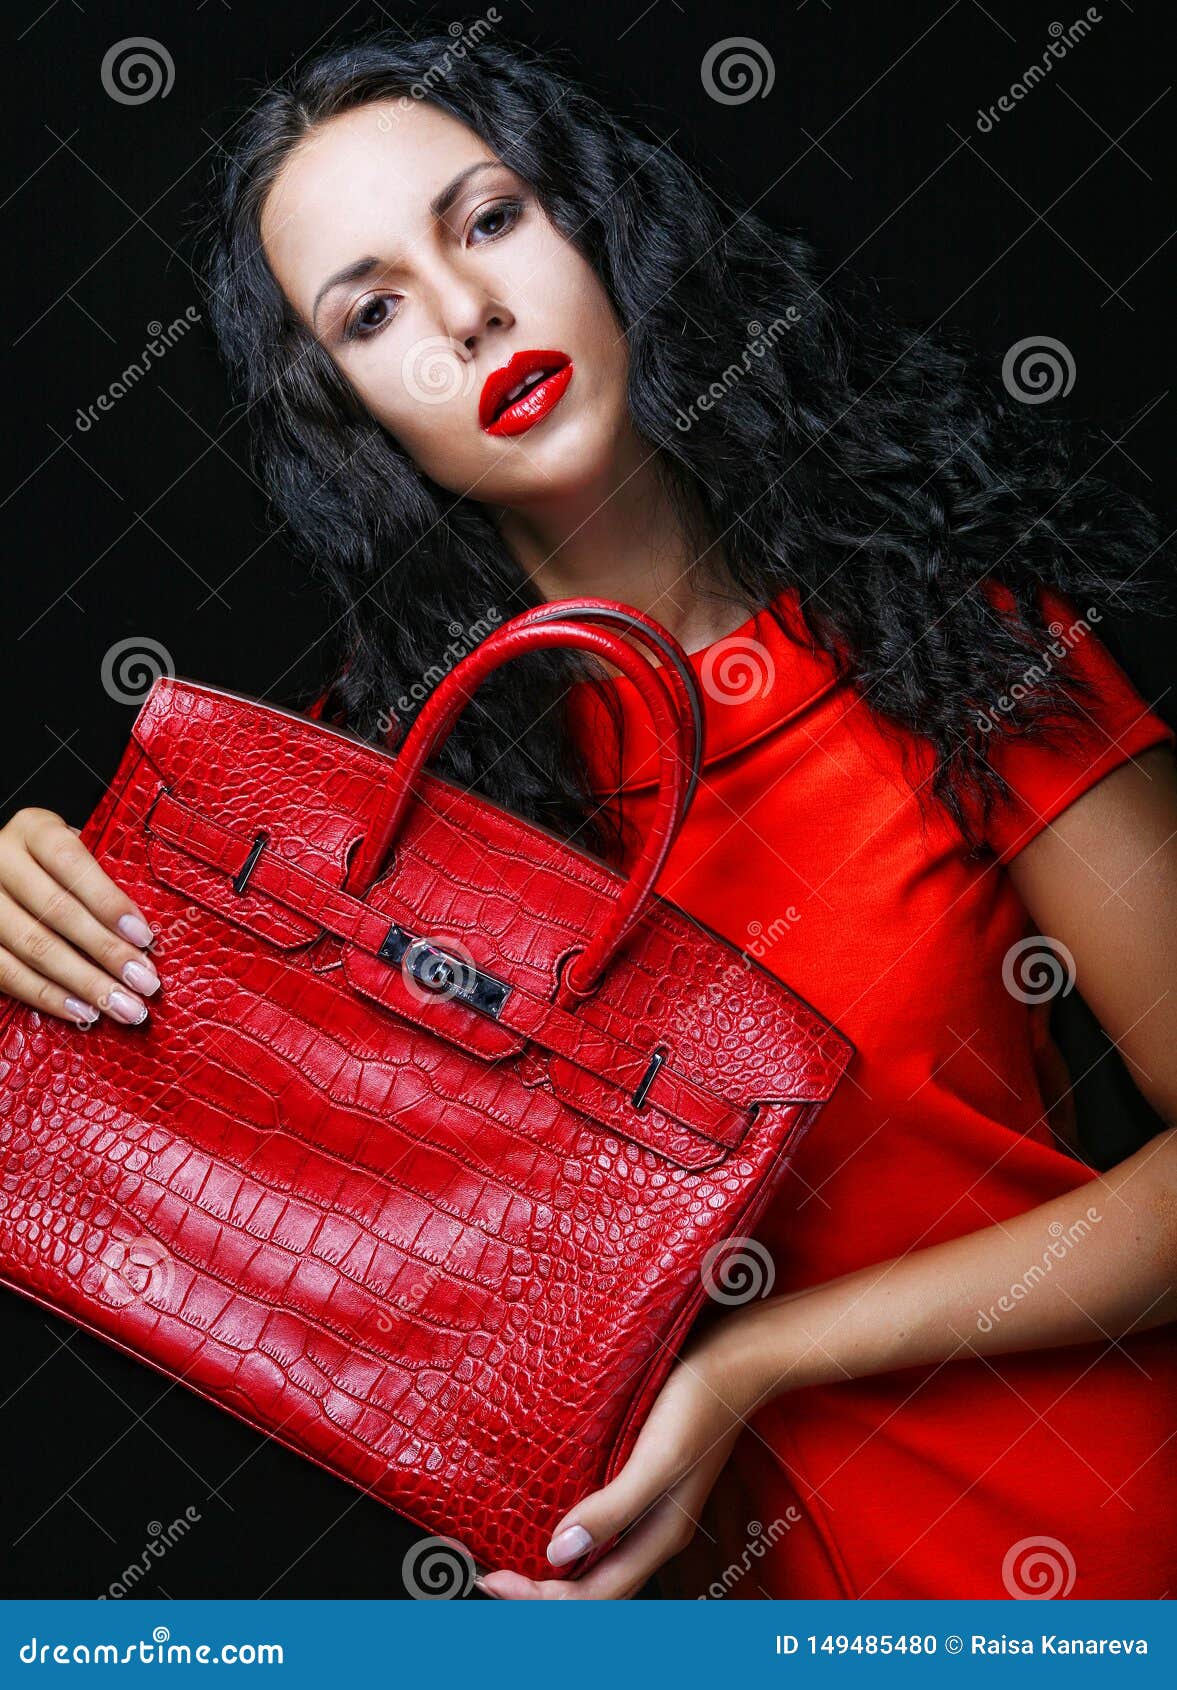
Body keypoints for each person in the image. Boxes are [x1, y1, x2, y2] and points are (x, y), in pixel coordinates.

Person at [0, 28, 1173, 1600]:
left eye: (488, 220)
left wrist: (753, 1360)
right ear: (346, 411)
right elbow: (265, 1213)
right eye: (369, 310)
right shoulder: (391, 818)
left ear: (599, 224)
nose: (466, 312)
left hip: (1089, 1555)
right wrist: (49, 898)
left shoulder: (948, 642)